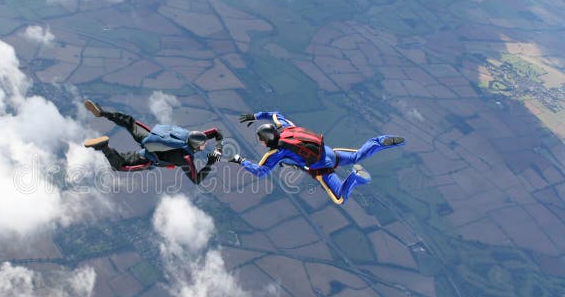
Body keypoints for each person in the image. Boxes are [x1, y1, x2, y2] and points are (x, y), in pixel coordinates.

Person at [231, 111, 405, 204]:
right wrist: (256, 116)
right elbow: (275, 113)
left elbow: (261, 172)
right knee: (357, 155)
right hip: (327, 151)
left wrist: (240, 160)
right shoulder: (285, 127)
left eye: (261, 140)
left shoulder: (276, 153)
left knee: (340, 199)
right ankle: (381, 141)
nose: (260, 143)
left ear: (267, 141)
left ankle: (356, 178)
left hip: (322, 168)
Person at [82, 99, 223, 185]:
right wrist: (210, 163)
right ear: (196, 146)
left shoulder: (189, 137)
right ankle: (104, 147)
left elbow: (216, 131)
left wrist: (218, 146)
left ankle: (103, 113)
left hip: (151, 137)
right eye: (203, 145)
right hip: (148, 158)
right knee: (120, 165)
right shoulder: (186, 158)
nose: (205, 146)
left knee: (130, 123)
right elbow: (196, 180)